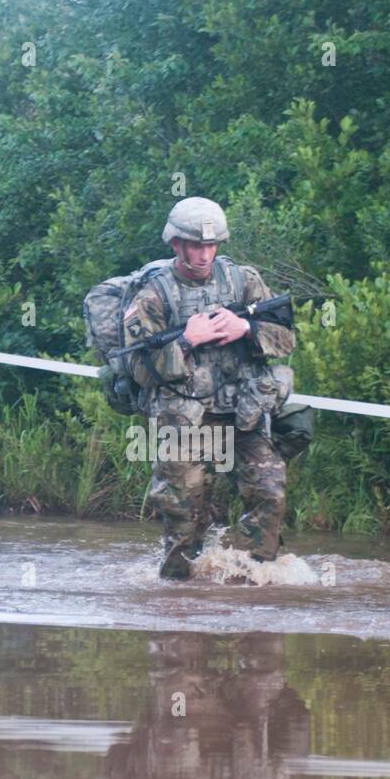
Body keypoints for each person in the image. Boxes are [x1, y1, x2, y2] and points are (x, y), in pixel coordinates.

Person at [123, 197, 296, 579]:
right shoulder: (153, 296)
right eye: (195, 246)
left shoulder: (244, 281)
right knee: (184, 518)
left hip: (244, 413)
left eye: (211, 245)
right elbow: (139, 369)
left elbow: (285, 339)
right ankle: (179, 602)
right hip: (184, 420)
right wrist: (187, 341)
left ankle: (257, 584)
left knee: (270, 493)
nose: (204, 255)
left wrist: (247, 330)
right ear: (176, 244)